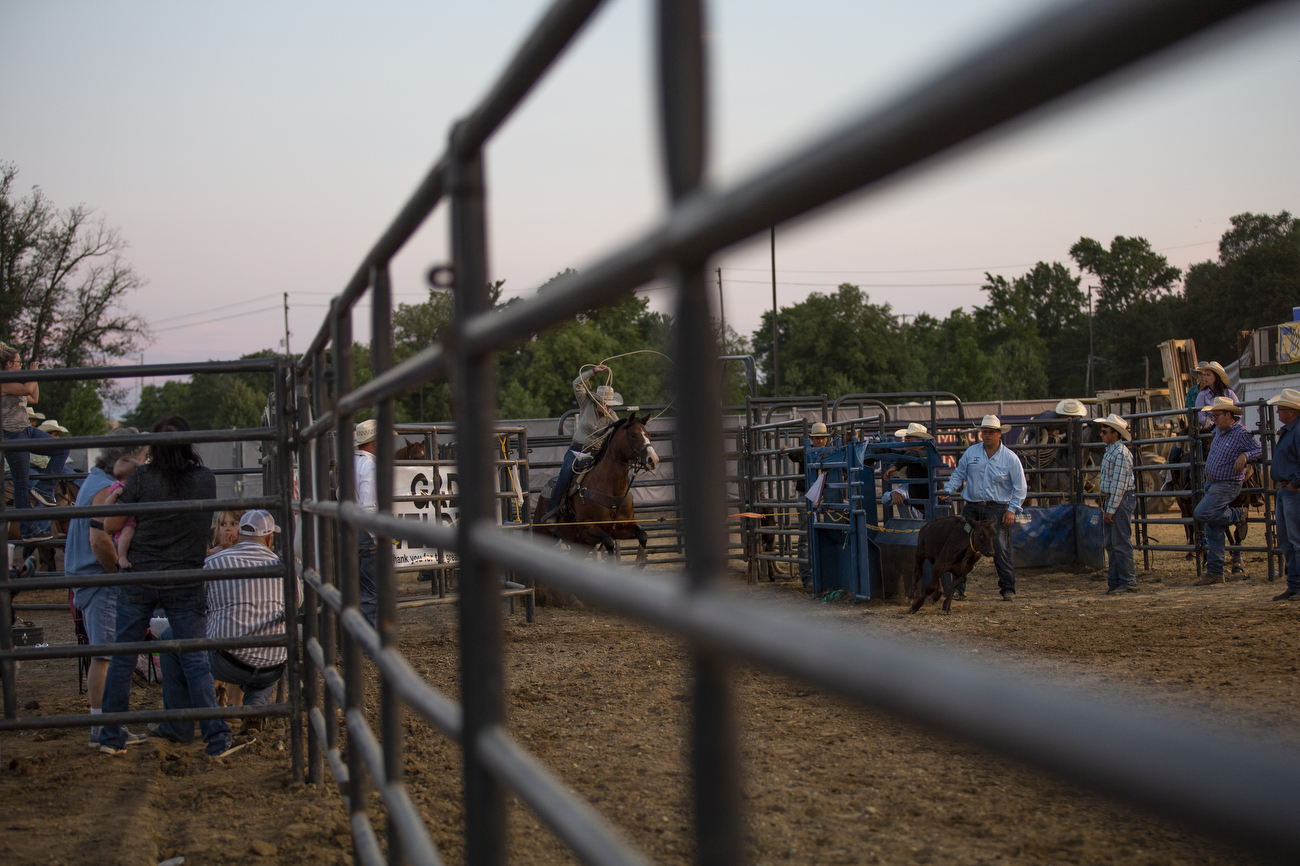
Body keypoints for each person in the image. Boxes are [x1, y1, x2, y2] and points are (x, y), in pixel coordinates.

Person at [98, 415, 240, 757]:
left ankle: (110, 736)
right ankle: (216, 737)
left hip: (140, 575)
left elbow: (111, 523)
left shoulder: (143, 477)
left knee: (122, 656)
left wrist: (120, 495)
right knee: (195, 659)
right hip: (184, 577)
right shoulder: (205, 479)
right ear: (188, 442)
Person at [150, 509, 296, 742]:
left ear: (239, 535)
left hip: (226, 661)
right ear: (269, 539)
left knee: (169, 639)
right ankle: (255, 708)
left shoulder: (213, 563)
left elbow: (193, 607)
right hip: (274, 664)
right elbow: (295, 603)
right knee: (268, 659)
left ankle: (178, 725)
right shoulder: (286, 568)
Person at [66, 427, 147, 748]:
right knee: (104, 656)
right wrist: (118, 573)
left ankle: (106, 723)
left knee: (104, 654)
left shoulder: (92, 482)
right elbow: (99, 540)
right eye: (141, 459)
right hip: (100, 580)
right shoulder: (104, 489)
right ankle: (102, 728)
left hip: (88, 578)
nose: (143, 466)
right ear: (125, 459)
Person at [942, 415, 1028, 601]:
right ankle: (958, 588)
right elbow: (958, 474)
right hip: (972, 509)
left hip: (995, 510)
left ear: (999, 434)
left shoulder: (1010, 458)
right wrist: (948, 489)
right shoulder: (971, 453)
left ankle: (1007, 588)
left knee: (999, 547)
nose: (987, 435)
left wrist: (1012, 509)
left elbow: (1020, 486)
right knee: (962, 545)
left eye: (990, 432)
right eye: (984, 432)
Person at [1192, 397, 1261, 586]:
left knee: (1202, 512)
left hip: (1227, 483)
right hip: (1213, 483)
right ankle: (1215, 570)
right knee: (1213, 526)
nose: (1213, 419)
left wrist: (1245, 455)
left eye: (1216, 415)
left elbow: (1259, 450)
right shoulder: (1218, 431)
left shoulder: (1241, 433)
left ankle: (1238, 514)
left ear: (1228, 415)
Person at [0, 344, 67, 537]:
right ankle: (29, 531)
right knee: (21, 484)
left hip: (27, 431)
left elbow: (34, 397)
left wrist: (32, 374)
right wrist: (33, 372)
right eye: (19, 362)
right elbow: (28, 388)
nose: (21, 365)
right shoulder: (4, 381)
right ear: (9, 363)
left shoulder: (15, 382)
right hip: (13, 436)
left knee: (62, 449)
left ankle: (44, 489)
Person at [545, 364, 620, 523]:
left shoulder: (612, 418)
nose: (607, 407)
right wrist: (593, 372)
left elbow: (619, 432)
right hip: (577, 451)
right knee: (565, 473)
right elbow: (576, 384)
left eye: (609, 404)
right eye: (605, 403)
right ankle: (552, 511)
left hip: (596, 455)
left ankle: (611, 513)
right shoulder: (586, 404)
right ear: (597, 400)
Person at [1164, 362, 1240, 492]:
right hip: (1204, 427)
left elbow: (1238, 411)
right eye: (1201, 374)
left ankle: (1254, 484)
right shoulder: (1198, 393)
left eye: (1207, 374)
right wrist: (1212, 424)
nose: (1203, 377)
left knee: (1246, 445)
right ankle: (1176, 478)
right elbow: (1198, 414)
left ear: (1216, 376)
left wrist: (1228, 424)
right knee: (1181, 446)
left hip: (1228, 426)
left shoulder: (1229, 393)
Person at [781, 422, 831, 586]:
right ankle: (808, 577)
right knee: (805, 538)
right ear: (812, 439)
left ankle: (819, 575)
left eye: (822, 438)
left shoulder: (828, 453)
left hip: (822, 499)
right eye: (817, 438)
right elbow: (793, 454)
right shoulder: (806, 451)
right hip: (808, 498)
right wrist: (786, 450)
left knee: (819, 536)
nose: (820, 441)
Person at [1094, 414, 1137, 594]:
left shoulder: (1119, 453)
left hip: (1118, 499)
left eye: (1105, 431)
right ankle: (1117, 582)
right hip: (1115, 498)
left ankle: (1126, 581)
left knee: (1119, 542)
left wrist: (1110, 509)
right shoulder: (1113, 451)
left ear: (1115, 434)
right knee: (1113, 543)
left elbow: (1119, 485)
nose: (1101, 434)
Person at [1268, 389, 1300, 602]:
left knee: (1295, 540)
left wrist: (1294, 484)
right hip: (1286, 489)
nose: (1277, 410)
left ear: (1292, 411)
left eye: (1281, 408)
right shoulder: (1290, 430)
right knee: (1287, 541)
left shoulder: (1296, 431)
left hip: (1292, 490)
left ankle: (1296, 585)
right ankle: (1294, 584)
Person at [355, 418, 380, 629]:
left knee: (356, 585)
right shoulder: (370, 466)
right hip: (365, 531)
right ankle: (370, 636)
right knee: (371, 588)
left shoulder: (350, 463)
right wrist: (374, 537)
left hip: (349, 528)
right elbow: (368, 506)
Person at [881, 422, 934, 520]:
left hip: (935, 507)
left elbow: (912, 454)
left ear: (919, 440)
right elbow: (894, 453)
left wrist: (895, 467)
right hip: (928, 507)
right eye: (906, 437)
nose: (906, 440)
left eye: (910, 438)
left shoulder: (924, 453)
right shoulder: (913, 454)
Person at [102, 455, 141, 570]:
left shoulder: (129, 486)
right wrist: (114, 495)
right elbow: (107, 504)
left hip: (130, 518)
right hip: (125, 523)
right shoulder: (117, 487)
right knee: (128, 532)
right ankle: (122, 556)